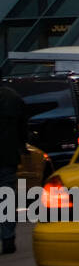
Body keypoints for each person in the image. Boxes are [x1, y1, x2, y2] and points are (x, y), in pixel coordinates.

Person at [0, 84, 28, 255]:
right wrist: (21, 146)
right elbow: (23, 128)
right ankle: (8, 237)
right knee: (6, 197)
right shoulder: (13, 98)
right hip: (7, 156)